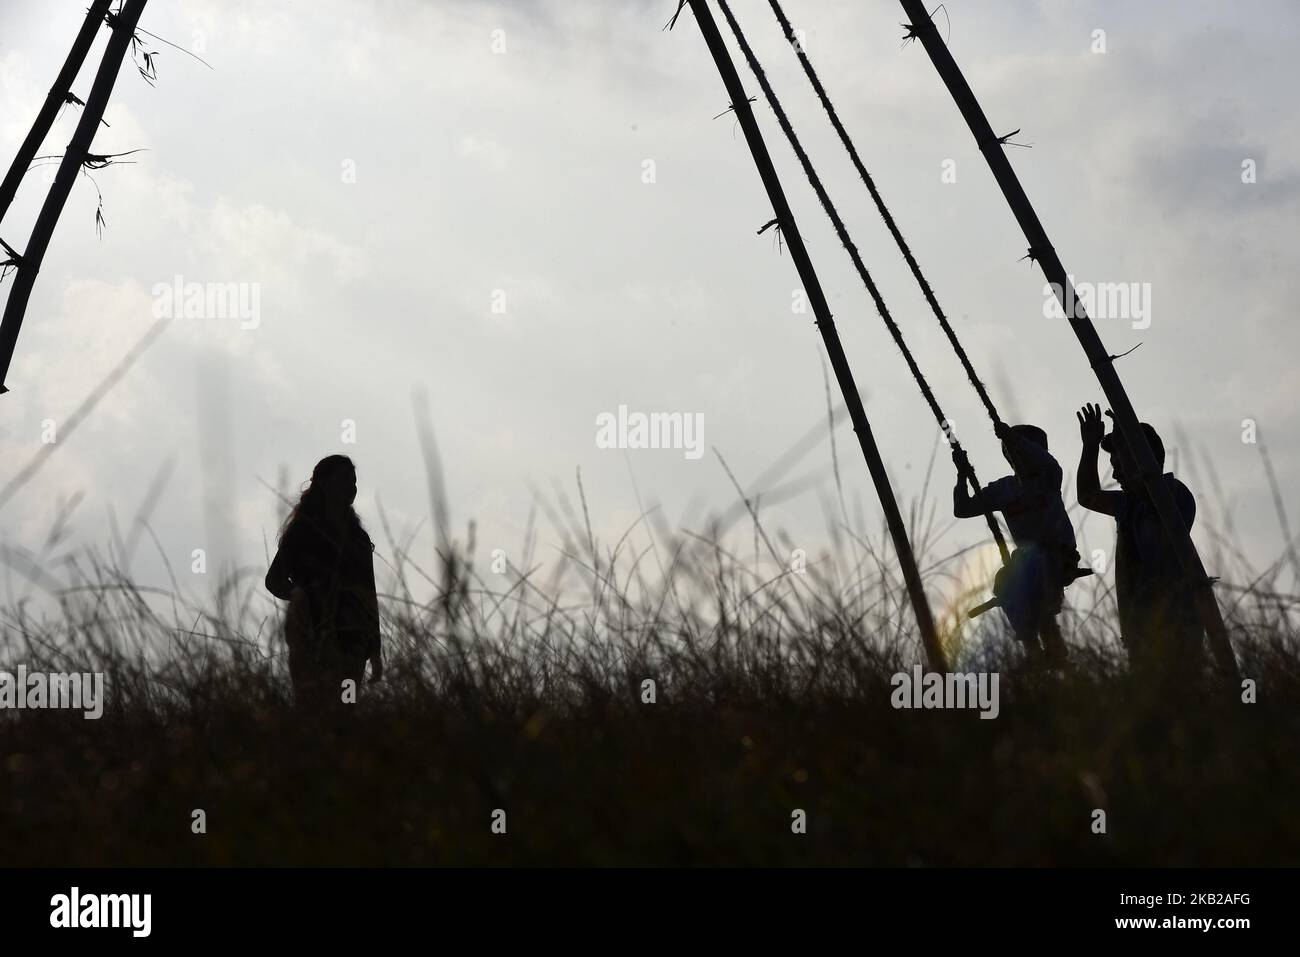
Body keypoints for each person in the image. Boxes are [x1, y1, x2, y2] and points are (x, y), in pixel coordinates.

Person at [1075, 403, 1204, 669]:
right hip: (1140, 632)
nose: (1116, 472)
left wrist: (1126, 442)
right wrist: (1090, 446)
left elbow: (1146, 485)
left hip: (1177, 625)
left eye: (1120, 461)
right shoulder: (1127, 506)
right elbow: (1088, 496)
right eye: (1113, 464)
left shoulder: (1174, 494)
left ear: (1139, 457)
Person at [953, 422, 1081, 663]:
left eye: (1020, 450)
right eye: (1010, 451)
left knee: (1037, 569)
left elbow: (1042, 459)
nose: (1015, 456)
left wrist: (1014, 439)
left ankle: (1053, 643)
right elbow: (962, 508)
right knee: (1005, 582)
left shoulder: (1049, 476)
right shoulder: (1005, 489)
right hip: (1026, 561)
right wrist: (961, 474)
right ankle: (1033, 649)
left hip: (1059, 556)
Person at [266, 455, 382, 708]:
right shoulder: (302, 532)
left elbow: (368, 594)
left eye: (353, 482)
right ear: (325, 484)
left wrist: (375, 649)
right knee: (311, 714)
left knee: (346, 714)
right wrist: (303, 597)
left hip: (353, 645)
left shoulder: (358, 539)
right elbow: (274, 580)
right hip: (311, 641)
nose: (351, 488)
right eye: (344, 481)